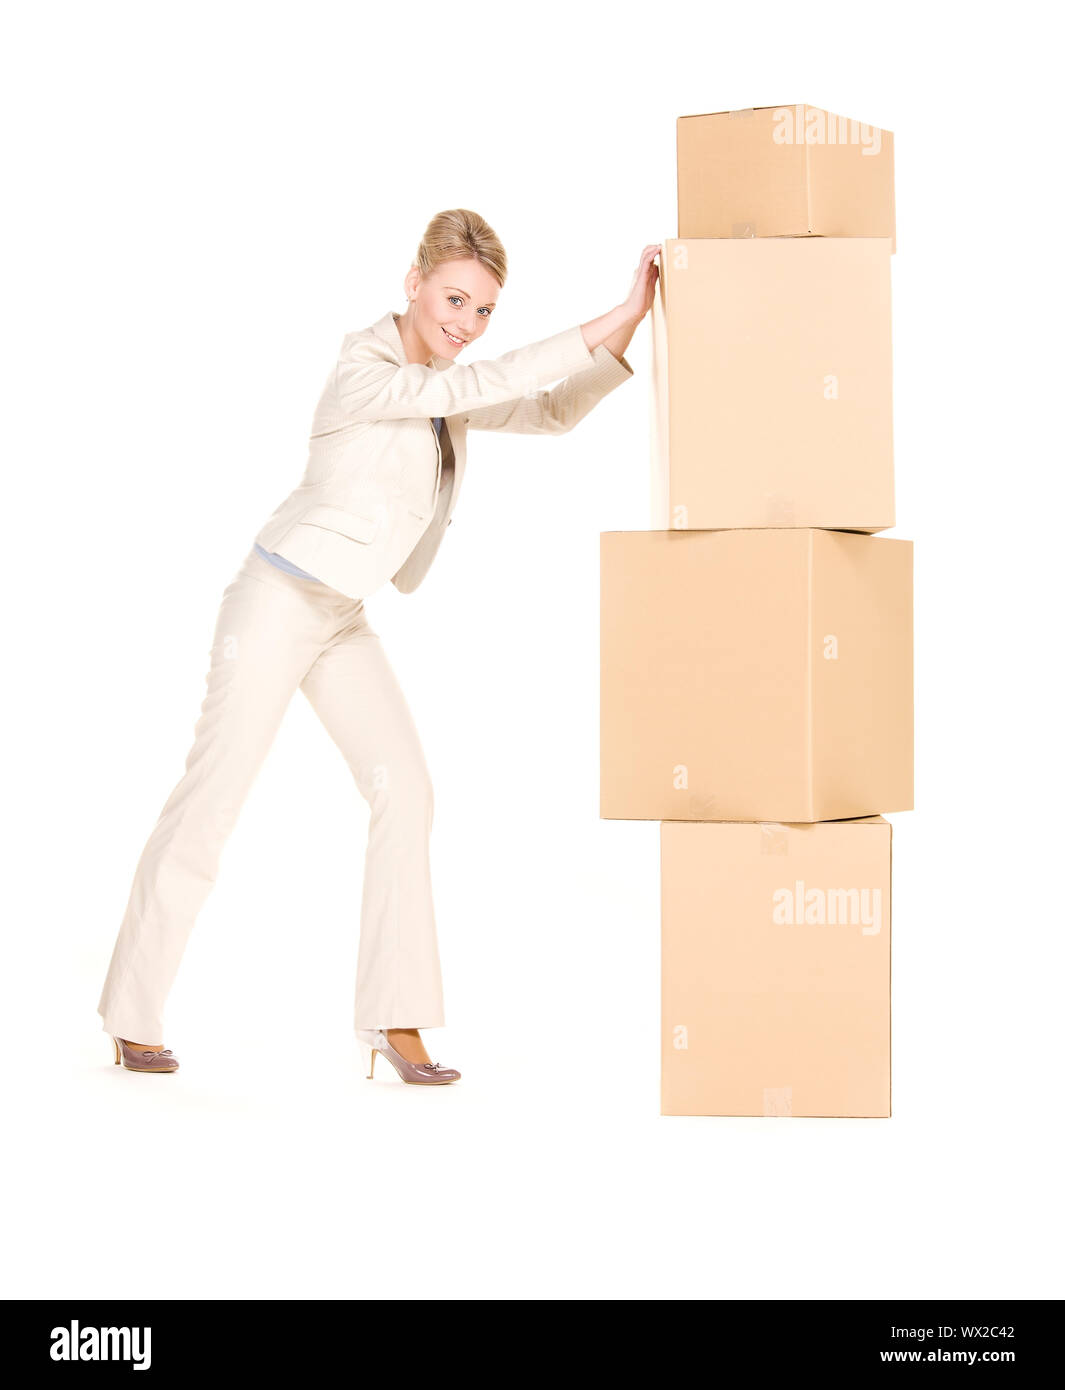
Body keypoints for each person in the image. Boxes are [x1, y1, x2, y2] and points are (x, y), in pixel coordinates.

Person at [98, 207, 660, 1085]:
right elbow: (485, 382)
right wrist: (601, 312)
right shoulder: (365, 368)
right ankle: (131, 1012)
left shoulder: (447, 388)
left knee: (406, 788)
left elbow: (549, 411)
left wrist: (629, 323)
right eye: (453, 299)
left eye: (481, 312)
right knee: (212, 800)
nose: (465, 325)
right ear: (413, 282)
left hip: (341, 618)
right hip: (277, 599)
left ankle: (395, 1021)